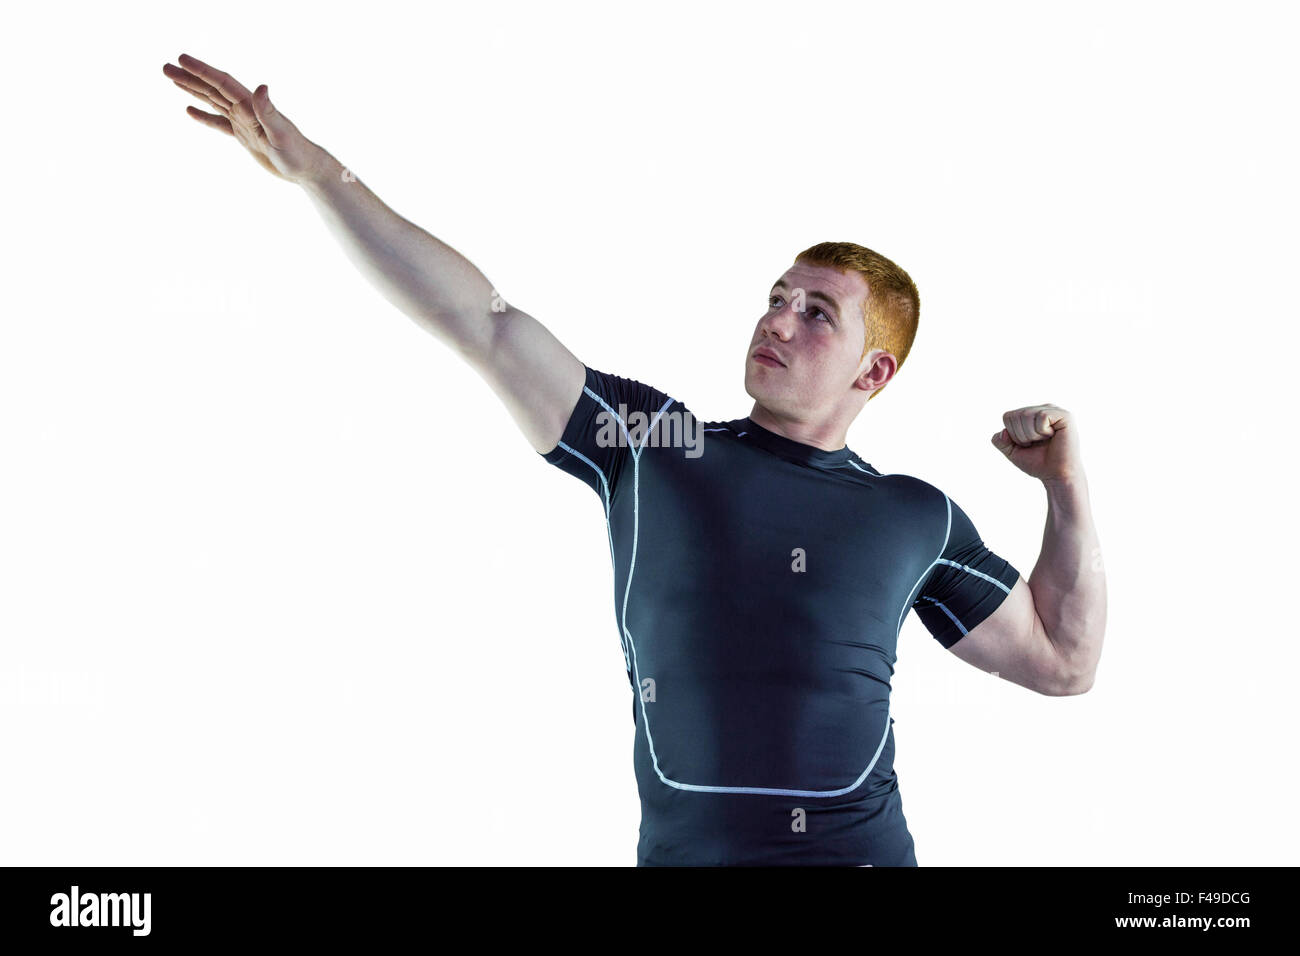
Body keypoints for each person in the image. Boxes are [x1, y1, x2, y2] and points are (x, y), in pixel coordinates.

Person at [162, 54, 1108, 866]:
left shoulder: (915, 514)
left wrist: (1065, 490)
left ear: (876, 369)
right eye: (776, 295)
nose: (776, 319)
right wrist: (326, 176)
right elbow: (485, 327)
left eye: (817, 312)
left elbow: (1064, 665)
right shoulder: (658, 445)